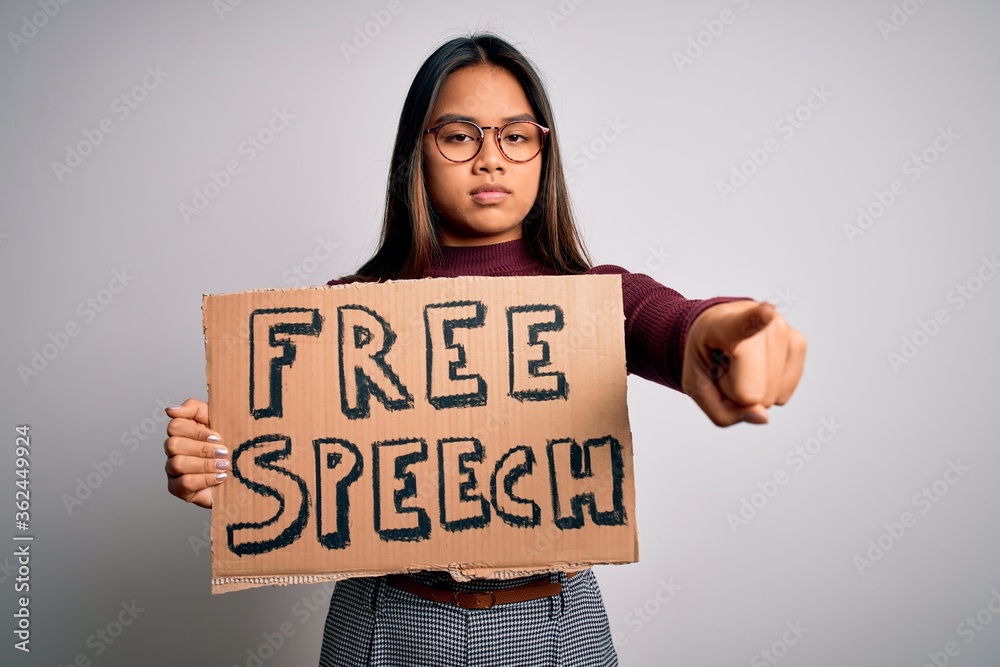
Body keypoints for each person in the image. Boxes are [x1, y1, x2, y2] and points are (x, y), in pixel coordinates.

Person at [163, 32, 806, 666]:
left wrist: (722, 337)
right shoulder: (340, 316)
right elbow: (282, 465)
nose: (491, 159)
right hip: (384, 623)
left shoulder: (594, 299)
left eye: (517, 136)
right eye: (459, 135)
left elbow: (673, 324)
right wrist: (219, 466)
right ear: (418, 150)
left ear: (542, 153)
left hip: (555, 625)